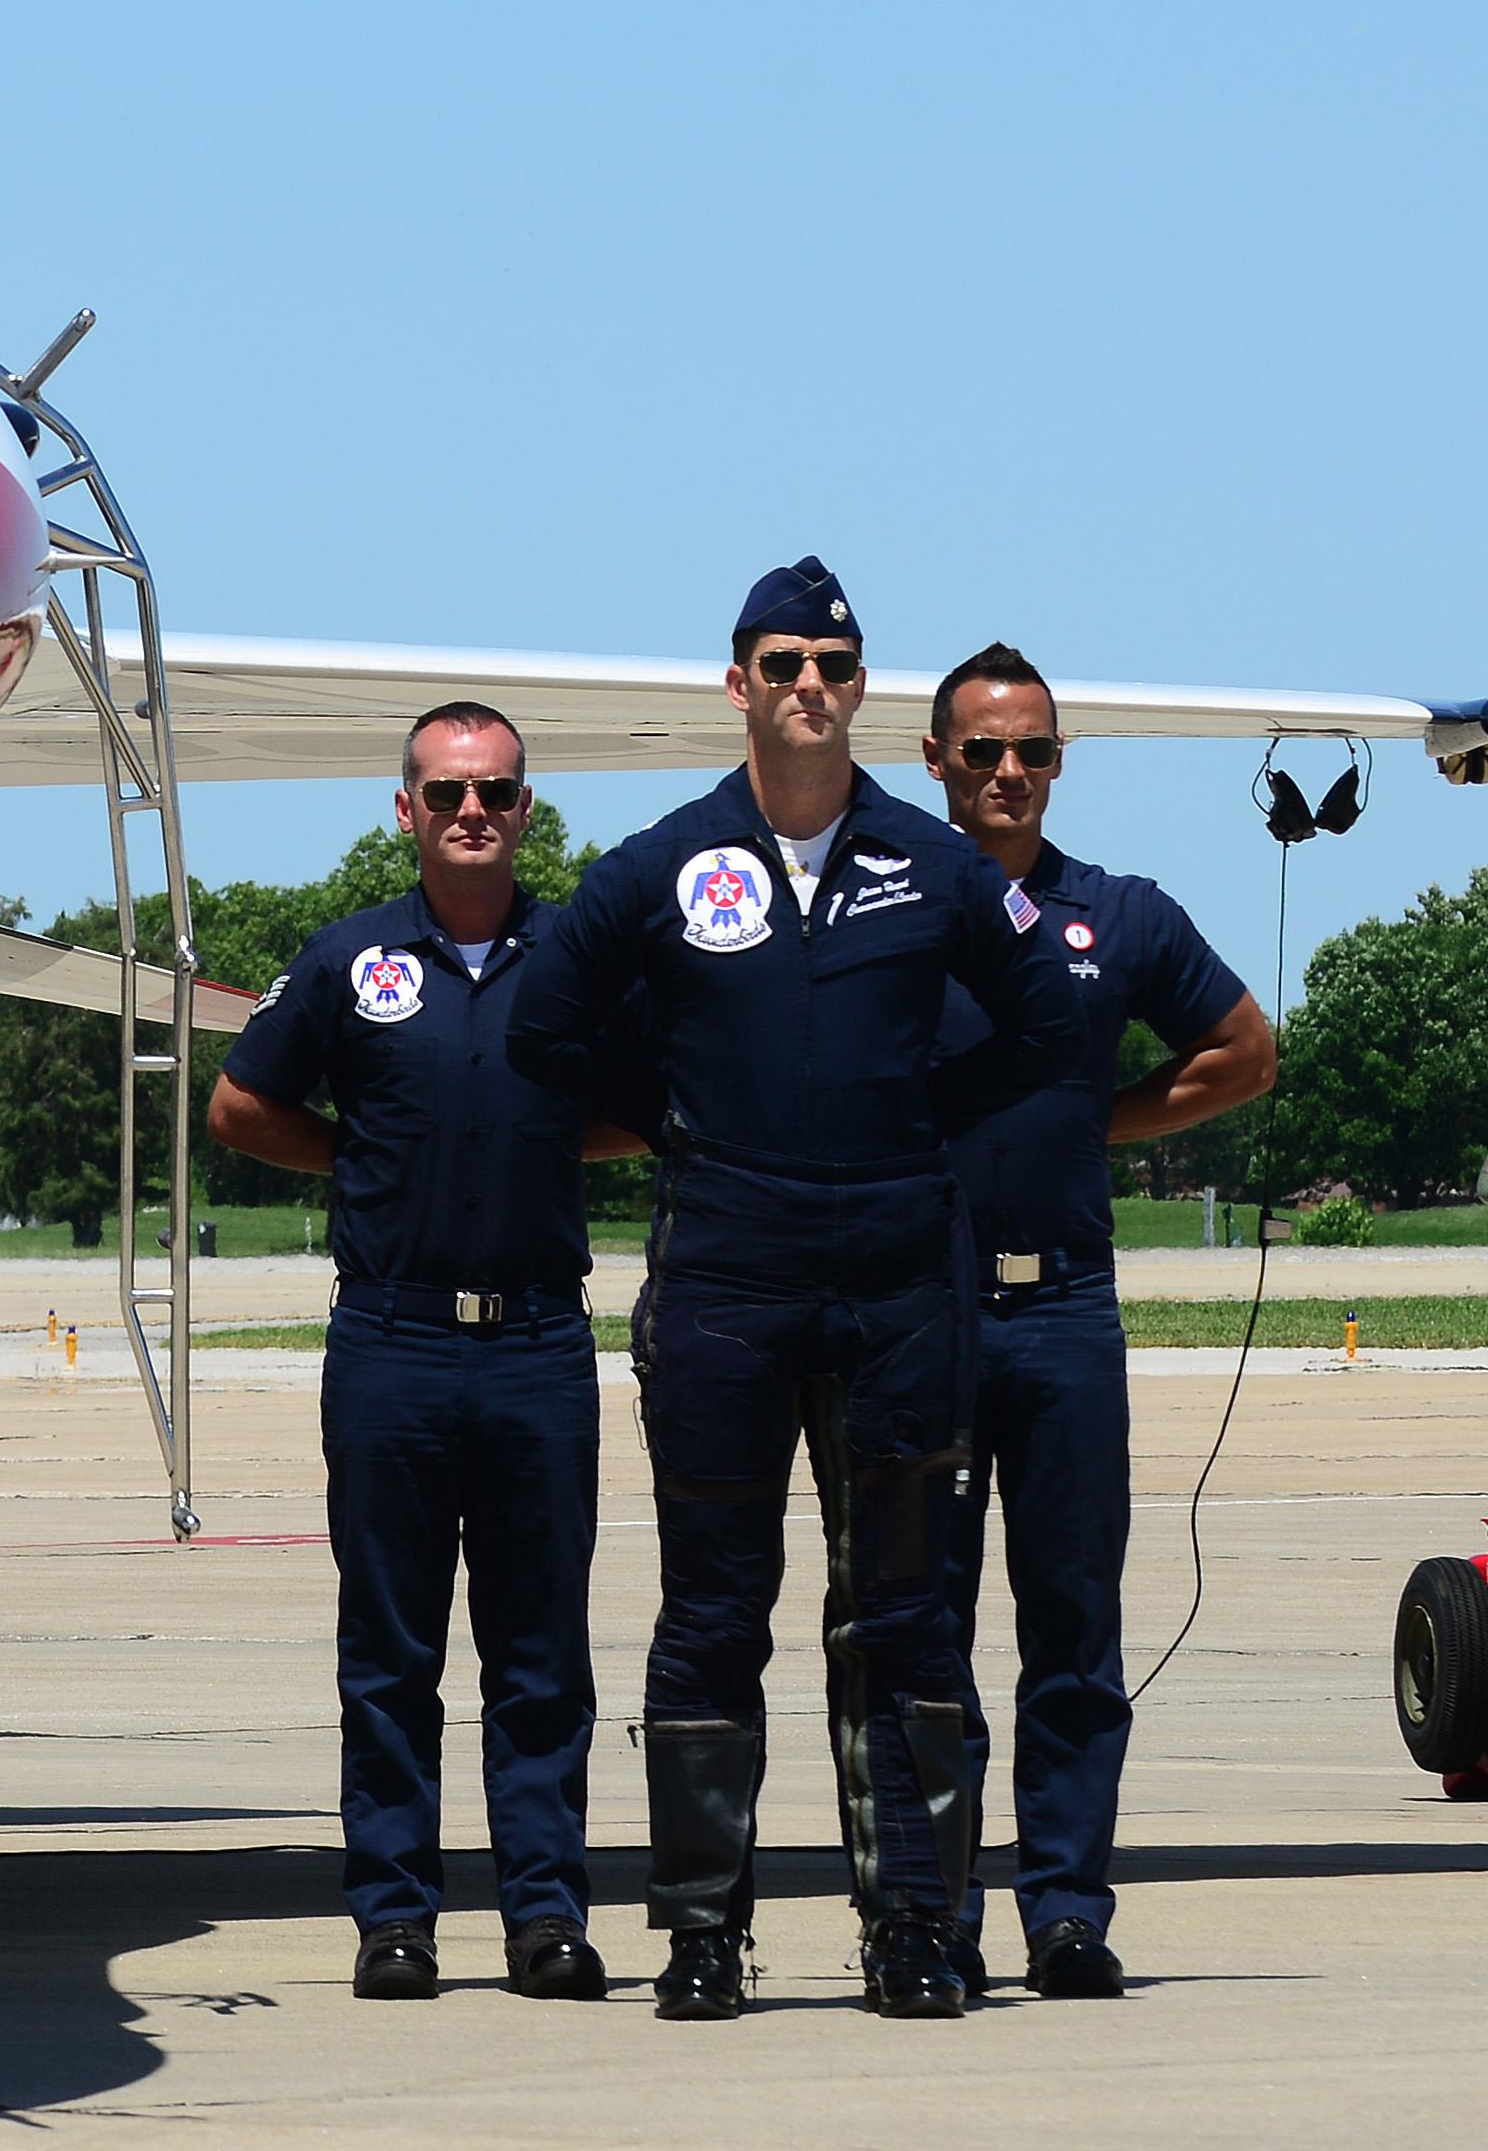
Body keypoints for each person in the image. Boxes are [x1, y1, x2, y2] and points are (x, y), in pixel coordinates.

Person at [505, 557, 1099, 2023]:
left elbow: (1045, 1023)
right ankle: (702, 1931)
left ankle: (913, 1927)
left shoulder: (934, 863)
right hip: (725, 1276)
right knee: (712, 1607)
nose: (807, 688)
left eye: (831, 665)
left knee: (903, 1615)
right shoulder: (662, 864)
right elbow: (543, 1021)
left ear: (857, 688)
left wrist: (914, 1111)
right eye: (781, 664)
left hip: (900, 1279)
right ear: (738, 685)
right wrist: (681, 1118)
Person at [204, 702, 650, 2006]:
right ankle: (393, 1918)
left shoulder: (580, 959)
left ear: (526, 812)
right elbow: (243, 1102)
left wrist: (531, 1159)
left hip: (535, 1348)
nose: (472, 812)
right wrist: (365, 1163)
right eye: (448, 791)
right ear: (402, 810)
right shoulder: (349, 962)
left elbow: (649, 1106)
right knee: (392, 1654)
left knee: (536, 1657)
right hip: (391, 1343)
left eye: (497, 793)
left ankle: (544, 1919)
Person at [904, 643, 1273, 1998]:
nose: (1008, 772)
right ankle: (930, 1913)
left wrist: (1097, 1123)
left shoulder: (1116, 916)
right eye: (984, 750)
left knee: (1069, 1628)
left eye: (1033, 751)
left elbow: (1242, 1050)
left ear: (1058, 766)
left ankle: (1063, 1907)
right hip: (917, 1320)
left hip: (1059, 1314)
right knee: (921, 1631)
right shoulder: (888, 910)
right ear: (933, 761)